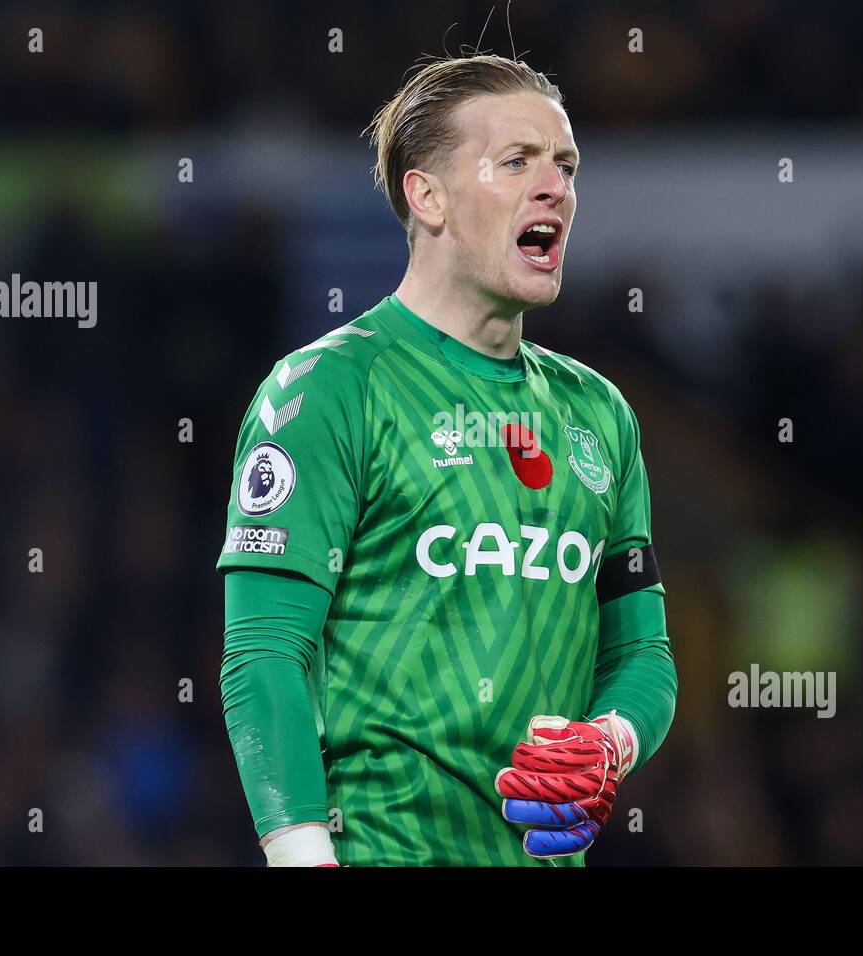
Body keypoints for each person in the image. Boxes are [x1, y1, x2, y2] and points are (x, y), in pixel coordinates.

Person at [217, 54, 676, 866]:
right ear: (425, 195)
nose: (555, 188)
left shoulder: (600, 416)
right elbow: (263, 656)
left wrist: (609, 741)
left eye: (565, 165)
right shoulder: (329, 390)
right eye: (517, 162)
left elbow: (642, 655)